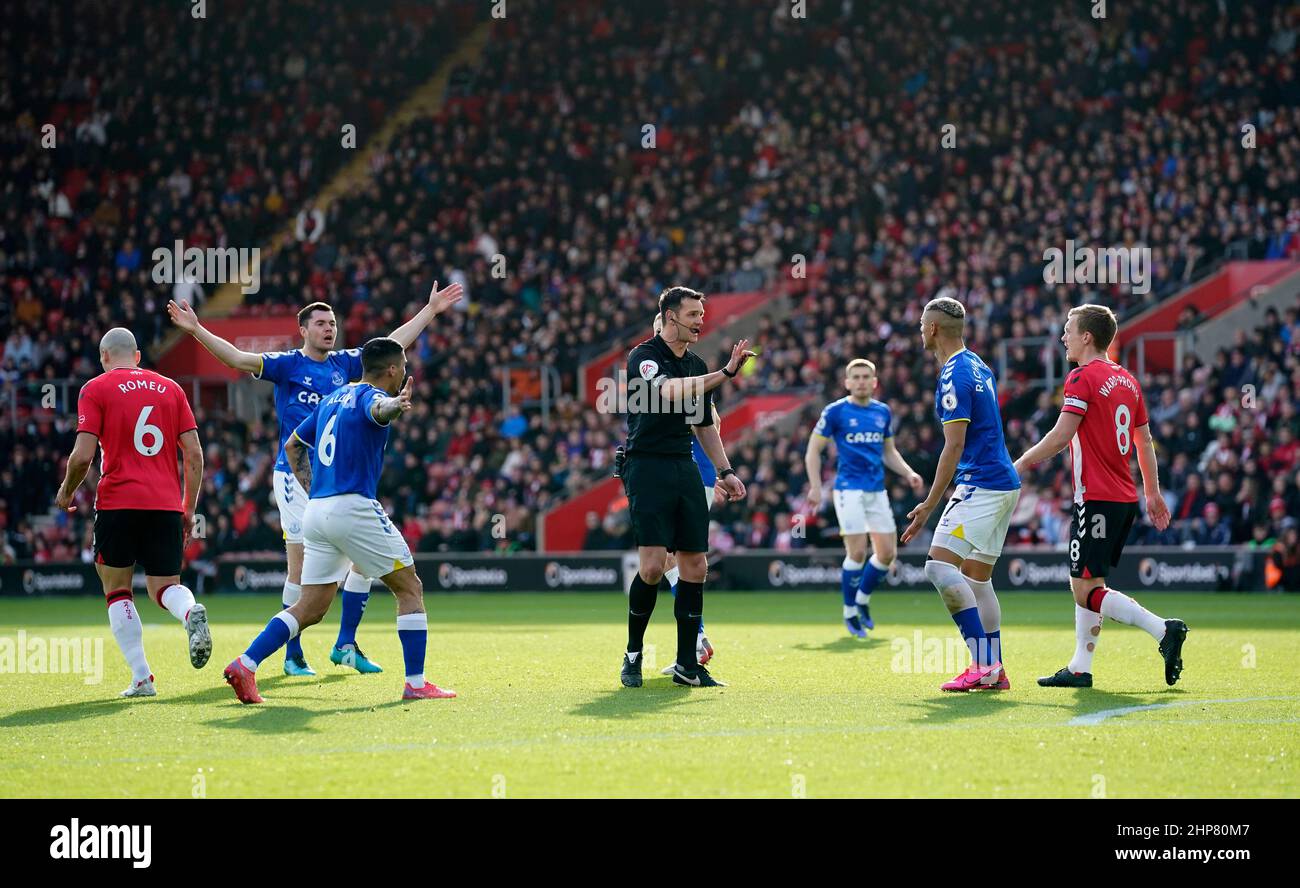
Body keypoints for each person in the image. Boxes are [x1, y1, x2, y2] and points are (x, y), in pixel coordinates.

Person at [167, 281, 461, 675]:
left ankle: (345, 643)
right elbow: (237, 359)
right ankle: (293, 653)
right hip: (294, 477)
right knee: (300, 571)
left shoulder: (344, 365)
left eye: (333, 322)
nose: (329, 328)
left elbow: (389, 347)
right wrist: (196, 329)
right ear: (303, 329)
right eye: (321, 323)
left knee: (361, 563)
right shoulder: (288, 365)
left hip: (333, 482)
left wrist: (430, 311)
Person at [223, 338, 453, 703]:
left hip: (317, 511)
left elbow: (293, 445)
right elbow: (379, 409)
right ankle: (416, 683)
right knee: (409, 588)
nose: (407, 370)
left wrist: (315, 491)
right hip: (353, 507)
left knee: (309, 607)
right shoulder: (368, 396)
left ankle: (246, 663)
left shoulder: (332, 398)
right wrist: (398, 405)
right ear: (392, 370)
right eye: (404, 365)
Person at [1014, 304, 1187, 688]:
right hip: (1123, 498)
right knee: (1089, 582)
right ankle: (1080, 667)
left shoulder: (1082, 378)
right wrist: (1152, 494)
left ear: (1086, 336)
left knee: (1084, 590)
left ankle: (1163, 630)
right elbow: (1144, 442)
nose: (1063, 336)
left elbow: (1060, 436)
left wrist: (1020, 464)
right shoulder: (1128, 380)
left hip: (1095, 498)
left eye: (1068, 329)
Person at [54, 327, 208, 698]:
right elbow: (195, 454)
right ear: (137, 356)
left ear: (104, 357)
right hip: (165, 505)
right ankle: (190, 613)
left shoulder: (96, 388)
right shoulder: (172, 388)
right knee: (165, 587)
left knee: (117, 589)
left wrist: (65, 493)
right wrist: (187, 509)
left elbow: (82, 456)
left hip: (118, 503)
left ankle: (142, 677)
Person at [618, 286, 753, 689]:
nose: (700, 321)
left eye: (701, 314)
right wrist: (726, 374)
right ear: (670, 317)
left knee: (696, 566)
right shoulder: (643, 357)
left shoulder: (695, 363)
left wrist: (725, 470)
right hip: (646, 466)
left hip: (683, 466)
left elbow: (702, 424)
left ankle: (686, 664)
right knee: (654, 567)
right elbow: (667, 391)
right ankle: (633, 653)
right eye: (693, 314)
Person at [901, 298, 1019, 692]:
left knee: (938, 567)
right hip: (1005, 483)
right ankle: (994, 669)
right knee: (978, 579)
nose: (919, 329)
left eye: (921, 323)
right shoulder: (979, 364)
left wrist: (929, 506)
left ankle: (983, 664)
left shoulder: (954, 374)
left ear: (933, 329)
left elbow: (953, 446)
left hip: (981, 483)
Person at [805, 358, 924, 637]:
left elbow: (889, 452)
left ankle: (862, 600)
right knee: (857, 552)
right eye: (855, 377)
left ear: (874, 382)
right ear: (847, 383)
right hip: (848, 490)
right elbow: (813, 450)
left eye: (865, 377)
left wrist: (908, 473)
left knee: (887, 554)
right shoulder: (835, 412)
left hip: (876, 490)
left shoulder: (882, 412)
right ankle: (849, 613)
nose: (860, 381)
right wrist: (815, 486)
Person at [651, 312, 724, 668]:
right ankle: (698, 639)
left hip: (687, 471)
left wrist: (708, 476)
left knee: (673, 559)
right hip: (687, 473)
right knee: (670, 560)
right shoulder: (672, 376)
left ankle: (697, 640)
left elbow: (708, 423)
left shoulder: (685, 377)